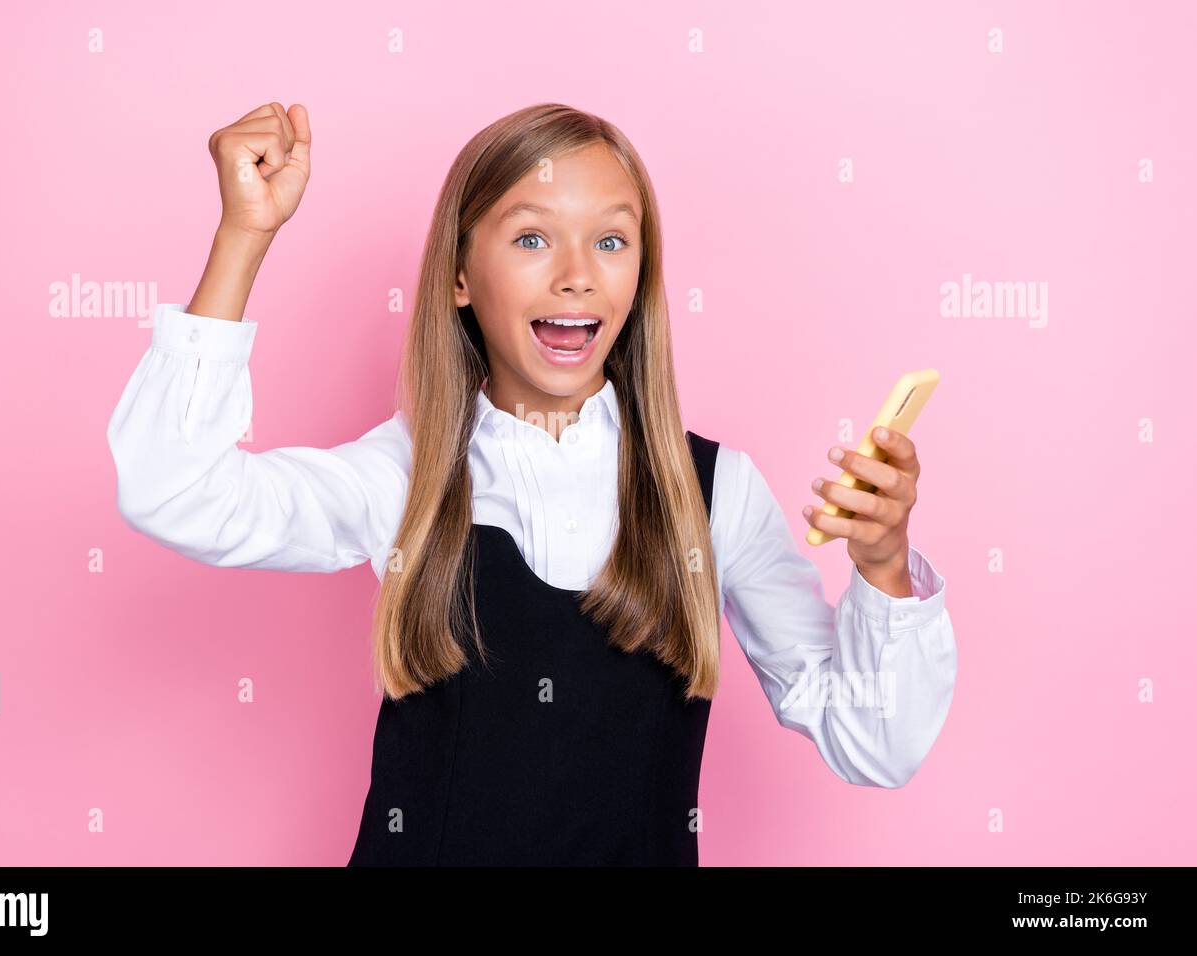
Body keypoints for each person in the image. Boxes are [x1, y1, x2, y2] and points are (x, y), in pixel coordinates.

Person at [106, 101, 957, 866]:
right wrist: (243, 238)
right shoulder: (406, 477)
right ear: (459, 278)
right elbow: (176, 493)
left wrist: (883, 567)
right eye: (531, 238)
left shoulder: (716, 492)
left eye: (611, 241)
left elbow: (873, 744)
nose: (577, 273)